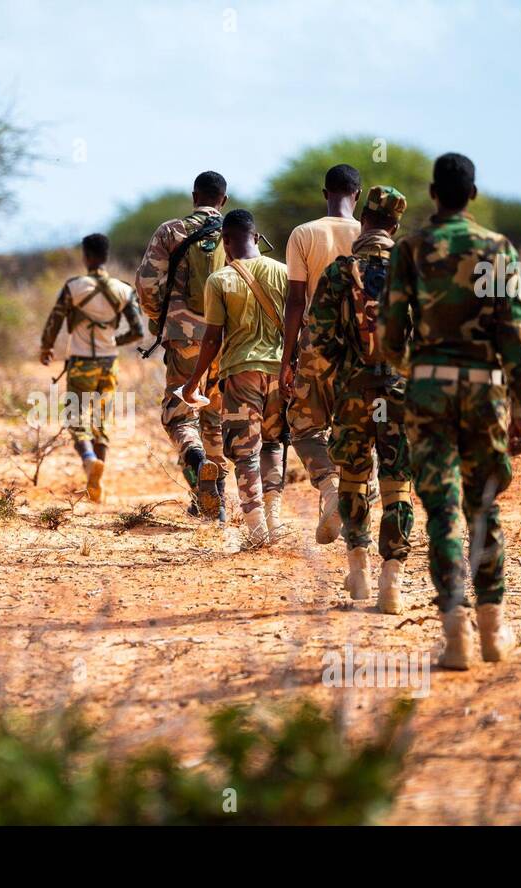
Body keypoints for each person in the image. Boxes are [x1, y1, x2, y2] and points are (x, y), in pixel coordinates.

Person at [379, 153, 521, 669]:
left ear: (432, 193)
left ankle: (454, 637)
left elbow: (391, 334)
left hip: (428, 391)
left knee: (442, 510)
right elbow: (514, 334)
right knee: (483, 505)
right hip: (485, 392)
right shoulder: (497, 248)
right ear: (472, 193)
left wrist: (415, 367)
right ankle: (492, 628)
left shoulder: (412, 249)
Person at [308, 186, 412, 612]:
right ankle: (393, 578)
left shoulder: (338, 271)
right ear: (395, 227)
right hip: (400, 391)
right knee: (397, 480)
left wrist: (345, 370)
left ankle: (359, 569)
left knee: (352, 477)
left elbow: (319, 337)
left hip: (353, 389)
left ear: (364, 222)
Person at [179, 210, 288, 547]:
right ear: (256, 237)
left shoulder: (220, 280)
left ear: (226, 241)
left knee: (245, 452)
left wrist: (193, 382)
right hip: (279, 372)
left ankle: (256, 528)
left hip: (240, 375)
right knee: (274, 444)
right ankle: (275, 518)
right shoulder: (285, 272)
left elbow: (212, 338)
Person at [279, 164, 370, 544]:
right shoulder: (371, 236)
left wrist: (286, 359)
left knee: (303, 424)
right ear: (358, 195)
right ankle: (363, 496)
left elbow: (296, 301)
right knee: (362, 426)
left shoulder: (304, 234)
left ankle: (331, 489)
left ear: (324, 194)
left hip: (317, 345)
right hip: (363, 346)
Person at [135, 171, 229, 520]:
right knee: (216, 416)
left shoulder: (171, 231)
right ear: (224, 200)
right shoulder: (237, 232)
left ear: (194, 197)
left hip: (186, 337)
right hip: (229, 340)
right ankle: (216, 497)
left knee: (180, 415)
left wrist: (163, 318)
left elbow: (146, 285)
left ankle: (197, 460)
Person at [40, 233, 146, 502]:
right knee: (102, 418)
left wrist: (46, 347)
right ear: (106, 256)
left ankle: (88, 460)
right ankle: (96, 483)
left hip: (80, 362)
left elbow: (55, 320)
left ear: (85, 256)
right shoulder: (123, 290)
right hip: (109, 363)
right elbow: (137, 331)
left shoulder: (74, 286)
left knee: (76, 416)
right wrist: (113, 340)